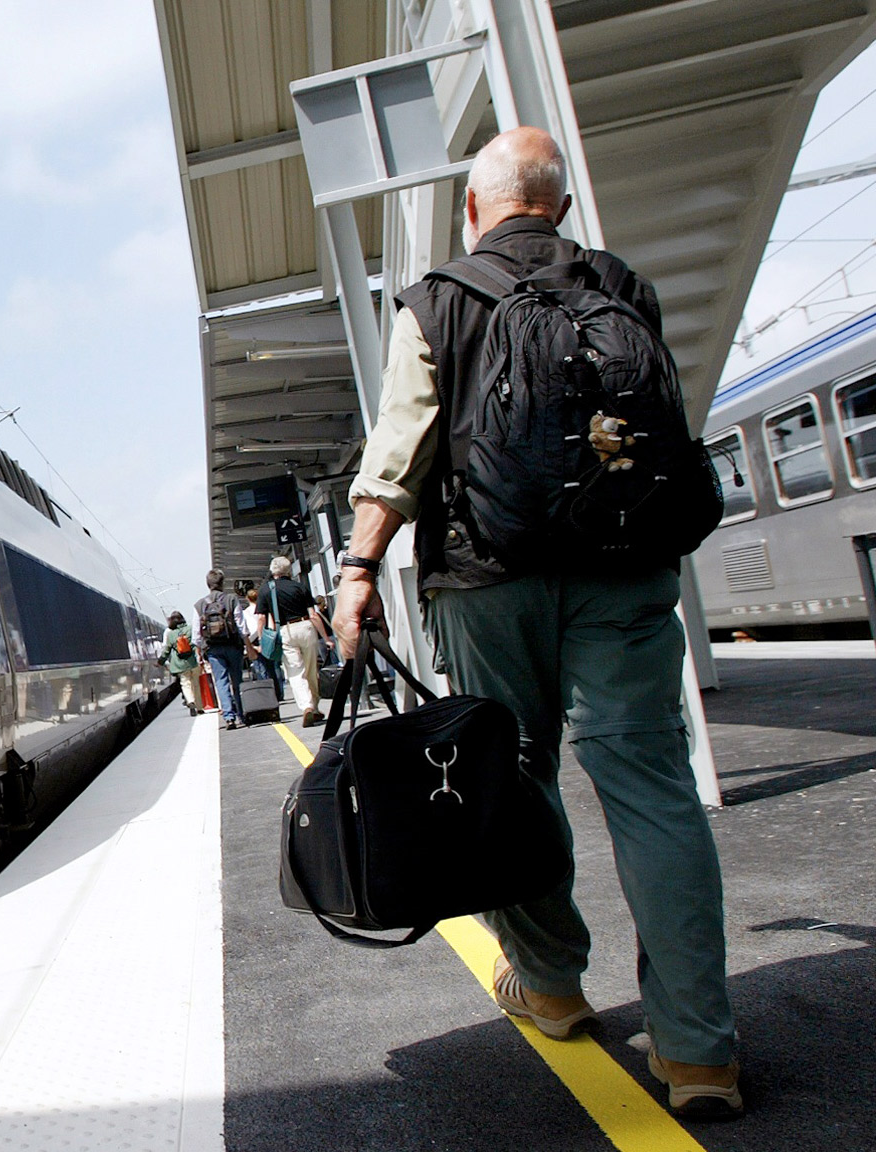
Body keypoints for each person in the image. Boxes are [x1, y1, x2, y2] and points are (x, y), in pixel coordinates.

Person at [332, 126, 740, 1117]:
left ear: (473, 211)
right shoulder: (618, 287)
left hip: (485, 578)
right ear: (555, 206)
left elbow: (403, 446)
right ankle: (696, 1054)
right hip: (623, 571)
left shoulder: (436, 298)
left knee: (510, 783)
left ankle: (551, 986)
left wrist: (356, 571)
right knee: (649, 786)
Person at [263, 556, 328, 727]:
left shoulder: (267, 590)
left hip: (285, 631)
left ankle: (306, 706)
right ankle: (314, 707)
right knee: (311, 669)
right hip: (306, 626)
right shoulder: (300, 587)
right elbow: (313, 615)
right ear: (289, 570)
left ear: (272, 571)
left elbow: (264, 618)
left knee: (295, 671)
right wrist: (327, 638)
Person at [193, 571, 247, 729]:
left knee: (221, 682)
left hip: (213, 649)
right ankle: (242, 714)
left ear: (208, 584)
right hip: (233, 645)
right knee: (237, 680)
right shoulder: (231, 599)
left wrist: (199, 653)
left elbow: (196, 634)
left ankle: (229, 717)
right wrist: (248, 646)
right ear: (223, 583)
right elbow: (241, 625)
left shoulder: (199, 605)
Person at [161, 611, 201, 716]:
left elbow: (166, 651)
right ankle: (200, 707)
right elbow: (197, 642)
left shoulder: (171, 634)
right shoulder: (190, 629)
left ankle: (190, 702)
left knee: (185, 684)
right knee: (196, 684)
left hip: (180, 664)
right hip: (193, 661)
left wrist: (160, 662)